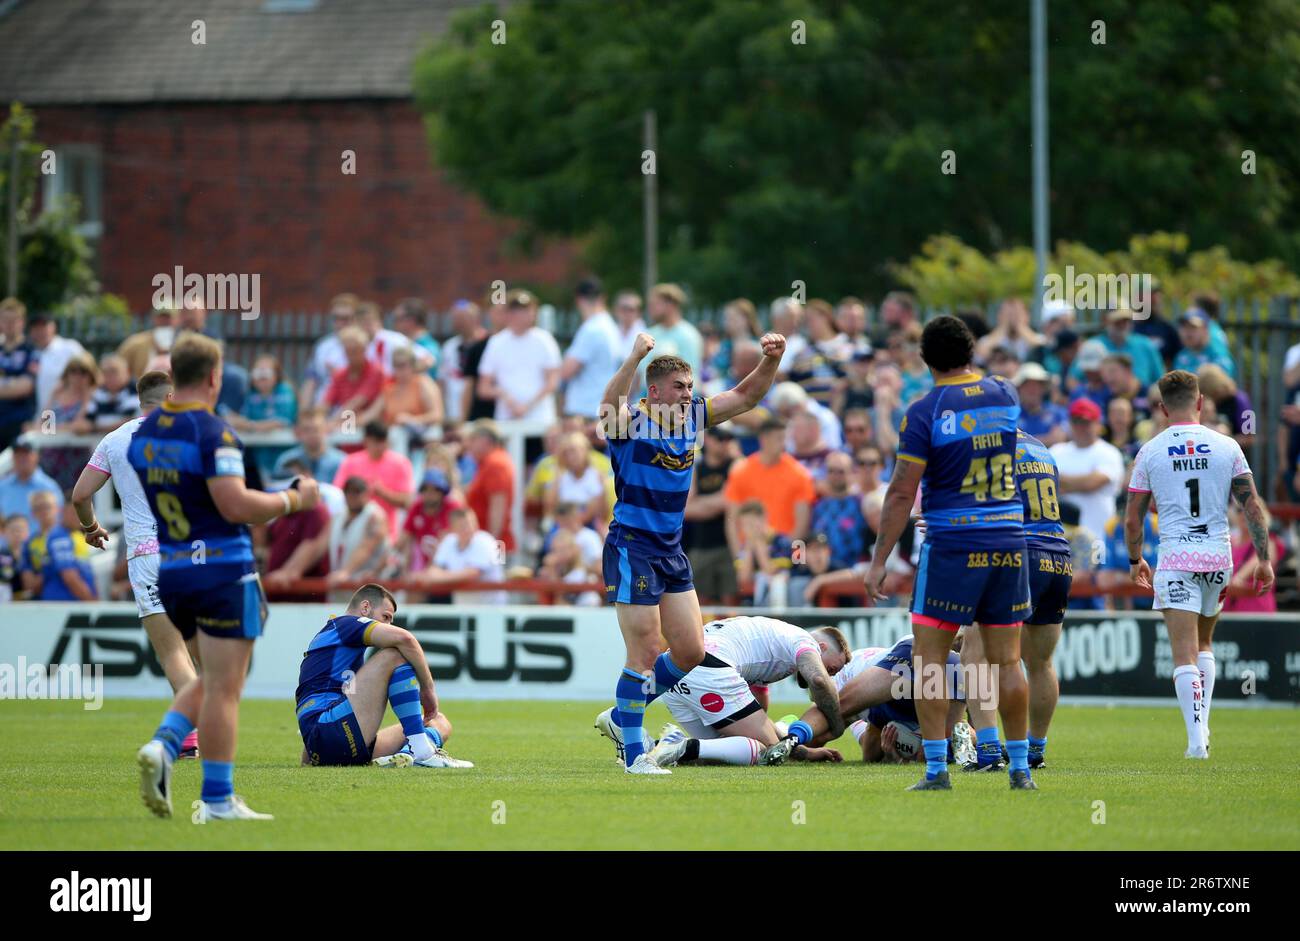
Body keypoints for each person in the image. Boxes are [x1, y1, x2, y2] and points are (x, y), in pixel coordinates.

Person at [130, 332, 322, 821]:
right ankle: (216, 799)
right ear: (215, 377)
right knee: (226, 688)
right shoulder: (213, 432)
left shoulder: (145, 434)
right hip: (222, 570)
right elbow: (237, 505)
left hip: (172, 571)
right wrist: (294, 498)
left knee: (215, 678)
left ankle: (166, 744)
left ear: (174, 375)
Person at [598, 329, 785, 773]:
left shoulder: (692, 419)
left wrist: (772, 360)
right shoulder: (629, 423)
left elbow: (745, 397)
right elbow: (607, 407)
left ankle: (625, 713)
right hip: (633, 546)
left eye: (690, 387)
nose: (688, 394)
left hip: (670, 550)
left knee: (689, 652)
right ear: (654, 391)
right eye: (679, 387)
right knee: (644, 651)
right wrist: (633, 358)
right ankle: (634, 752)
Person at [862, 314, 1035, 791]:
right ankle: (1020, 769)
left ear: (924, 359)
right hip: (1007, 541)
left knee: (931, 659)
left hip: (952, 545)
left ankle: (937, 769)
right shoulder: (1005, 394)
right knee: (1007, 661)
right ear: (972, 350)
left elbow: (900, 492)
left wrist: (879, 560)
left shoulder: (924, 410)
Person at [1126, 370, 1273, 759]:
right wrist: (1263, 559)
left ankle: (1195, 744)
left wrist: (1134, 557)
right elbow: (1252, 505)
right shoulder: (1227, 446)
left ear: (1161, 408)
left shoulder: (1150, 451)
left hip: (1176, 558)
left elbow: (1132, 516)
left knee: (1183, 653)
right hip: (1218, 557)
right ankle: (1203, 727)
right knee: (1205, 643)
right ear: (1201, 403)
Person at [71, 371, 200, 755]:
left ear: (138, 400)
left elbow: (80, 494)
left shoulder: (115, 439)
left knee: (173, 652)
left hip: (148, 555)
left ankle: (192, 734)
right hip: (196, 554)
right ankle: (198, 731)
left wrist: (91, 527)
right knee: (199, 649)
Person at [595, 617, 848, 768]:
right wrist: (836, 726)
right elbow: (818, 680)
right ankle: (677, 744)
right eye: (833, 668)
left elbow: (754, 710)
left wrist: (787, 741)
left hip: (676, 671)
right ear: (822, 646)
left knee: (727, 751)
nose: (831, 674)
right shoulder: (804, 642)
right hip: (709, 669)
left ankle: (663, 746)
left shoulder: (773, 636)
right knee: (767, 752)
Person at [295, 584, 471, 768]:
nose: (387, 625)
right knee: (396, 653)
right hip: (329, 730)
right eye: (385, 617)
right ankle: (421, 750)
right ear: (365, 608)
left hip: (334, 742)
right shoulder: (346, 623)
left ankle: (408, 754)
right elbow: (406, 639)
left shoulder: (335, 637)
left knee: (439, 722)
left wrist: (313, 749)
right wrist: (428, 689)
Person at [797, 637, 967, 764]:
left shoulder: (841, 683)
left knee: (833, 709)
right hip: (951, 667)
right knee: (941, 746)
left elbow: (868, 751)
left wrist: (802, 748)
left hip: (913, 658)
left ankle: (789, 740)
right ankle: (977, 745)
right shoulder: (857, 673)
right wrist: (893, 755)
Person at [1051, 398, 1125, 552]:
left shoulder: (1109, 452)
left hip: (1099, 536)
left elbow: (1092, 484)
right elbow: (1045, 484)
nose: (1081, 427)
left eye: (1086, 422)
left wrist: (1060, 481)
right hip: (1060, 537)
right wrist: (1079, 483)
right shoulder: (1056, 451)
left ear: (1098, 424)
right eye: (1076, 421)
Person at [724, 417, 817, 540]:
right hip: (749, 550)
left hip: (783, 551)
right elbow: (732, 519)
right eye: (779, 438)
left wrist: (785, 552)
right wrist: (739, 556)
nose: (783, 444)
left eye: (784, 438)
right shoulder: (741, 472)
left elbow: (802, 522)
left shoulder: (800, 474)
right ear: (764, 439)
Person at [478, 289, 562, 424]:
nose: (524, 315)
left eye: (527, 310)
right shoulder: (496, 342)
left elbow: (553, 381)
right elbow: (484, 388)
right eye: (517, 310)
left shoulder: (545, 340)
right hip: (506, 419)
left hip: (540, 419)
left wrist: (527, 406)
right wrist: (505, 396)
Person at [331, 421, 414, 541]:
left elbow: (407, 502)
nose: (381, 447)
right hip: (352, 535)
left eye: (383, 442)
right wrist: (358, 495)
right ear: (366, 440)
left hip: (386, 535)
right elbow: (337, 495)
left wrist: (383, 493)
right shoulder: (350, 462)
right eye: (376, 442)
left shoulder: (400, 464)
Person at [684, 426, 739, 605]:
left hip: (729, 546)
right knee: (698, 601)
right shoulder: (696, 466)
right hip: (700, 544)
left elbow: (730, 500)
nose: (724, 444)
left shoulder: (736, 465)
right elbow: (685, 509)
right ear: (708, 439)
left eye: (727, 440)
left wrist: (701, 503)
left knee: (731, 600)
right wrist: (720, 502)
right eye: (720, 439)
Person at [560, 277, 622, 419]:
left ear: (579, 300)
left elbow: (567, 370)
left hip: (585, 410)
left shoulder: (591, 329)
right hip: (602, 407)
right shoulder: (610, 326)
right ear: (602, 297)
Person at [418, 507, 506, 605]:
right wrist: (433, 576)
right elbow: (434, 569)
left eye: (471, 523)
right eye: (462, 526)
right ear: (453, 528)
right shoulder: (449, 540)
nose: (468, 529)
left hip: (491, 610)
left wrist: (438, 578)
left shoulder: (486, 541)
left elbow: (471, 574)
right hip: (463, 608)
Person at [19, 491, 97, 601]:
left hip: (76, 602)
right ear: (32, 513)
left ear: (57, 508)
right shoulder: (34, 542)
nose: (44, 512)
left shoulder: (78, 535)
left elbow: (87, 572)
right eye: (38, 508)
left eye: (47, 507)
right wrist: (49, 570)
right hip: (61, 602)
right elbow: (69, 576)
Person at [325, 477, 391, 599]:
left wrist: (345, 572)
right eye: (348, 492)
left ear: (366, 493)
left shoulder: (375, 516)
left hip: (369, 590)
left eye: (357, 492)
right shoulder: (338, 516)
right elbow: (321, 544)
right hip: (340, 587)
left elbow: (366, 547)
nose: (352, 496)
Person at [363, 344, 443, 435]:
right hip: (395, 437)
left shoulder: (423, 383)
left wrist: (412, 420)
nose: (399, 370)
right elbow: (370, 414)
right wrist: (350, 421)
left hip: (420, 437)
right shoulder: (389, 389)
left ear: (412, 366)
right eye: (396, 365)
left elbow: (437, 415)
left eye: (403, 365)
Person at [395, 468, 461, 577]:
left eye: (436, 489)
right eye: (426, 489)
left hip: (450, 567)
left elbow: (444, 544)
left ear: (442, 492)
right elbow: (403, 538)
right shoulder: (417, 507)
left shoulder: (452, 508)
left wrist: (425, 574)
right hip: (424, 566)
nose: (430, 493)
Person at [463, 419, 516, 553]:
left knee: (495, 574)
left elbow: (498, 508)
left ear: (484, 440)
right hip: (487, 541)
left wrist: (492, 548)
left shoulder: (496, 464)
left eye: (472, 439)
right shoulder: (488, 463)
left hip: (493, 543)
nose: (468, 445)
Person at [323, 326, 385, 423]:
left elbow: (357, 402)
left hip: (368, 424)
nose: (351, 355)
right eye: (348, 351)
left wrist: (333, 423)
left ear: (364, 350)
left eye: (355, 350)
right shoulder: (340, 374)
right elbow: (326, 403)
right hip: (346, 424)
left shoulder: (375, 372)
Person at [27, 312, 86, 415]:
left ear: (53, 327)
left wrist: (82, 413)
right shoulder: (30, 353)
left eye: (44, 326)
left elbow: (90, 377)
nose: (40, 331)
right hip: (42, 416)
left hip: (71, 413)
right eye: (36, 328)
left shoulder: (70, 348)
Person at [0, 434, 62, 527]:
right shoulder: (2, 486)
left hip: (42, 541)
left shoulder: (49, 487)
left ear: (36, 456)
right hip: (8, 541)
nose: (21, 458)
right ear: (13, 457)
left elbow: (58, 520)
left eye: (25, 454)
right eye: (18, 454)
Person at [438, 299, 484, 423]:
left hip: (479, 413)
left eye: (463, 318)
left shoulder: (488, 345)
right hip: (453, 414)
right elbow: (443, 380)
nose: (459, 323)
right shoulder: (449, 346)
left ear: (476, 319)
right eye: (455, 318)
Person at [272, 408, 346, 483]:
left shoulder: (341, 461)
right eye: (306, 429)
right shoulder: (286, 460)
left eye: (316, 429)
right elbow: (277, 490)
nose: (312, 434)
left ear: (326, 429)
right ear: (297, 432)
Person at [1014, 362, 1068, 446]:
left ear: (1044, 388)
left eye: (1037, 385)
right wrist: (1048, 439)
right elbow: (1012, 444)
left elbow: (1061, 438)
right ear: (1019, 389)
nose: (1032, 390)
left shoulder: (1057, 412)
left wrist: (1025, 441)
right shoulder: (1012, 416)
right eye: (1027, 385)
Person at [1172, 309, 1235, 379]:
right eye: (1184, 327)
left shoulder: (1217, 355)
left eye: (1193, 327)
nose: (1187, 332)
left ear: (1206, 329)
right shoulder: (1181, 356)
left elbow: (1220, 385)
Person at [85, 354, 141, 432]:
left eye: (113, 371)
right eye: (105, 372)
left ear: (127, 372)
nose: (109, 376)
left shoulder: (136, 391)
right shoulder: (98, 392)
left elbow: (128, 424)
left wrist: (94, 428)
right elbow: (86, 421)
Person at [392, 297, 441, 378]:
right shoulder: (404, 343)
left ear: (411, 320)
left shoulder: (430, 347)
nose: (394, 324)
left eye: (397, 319)